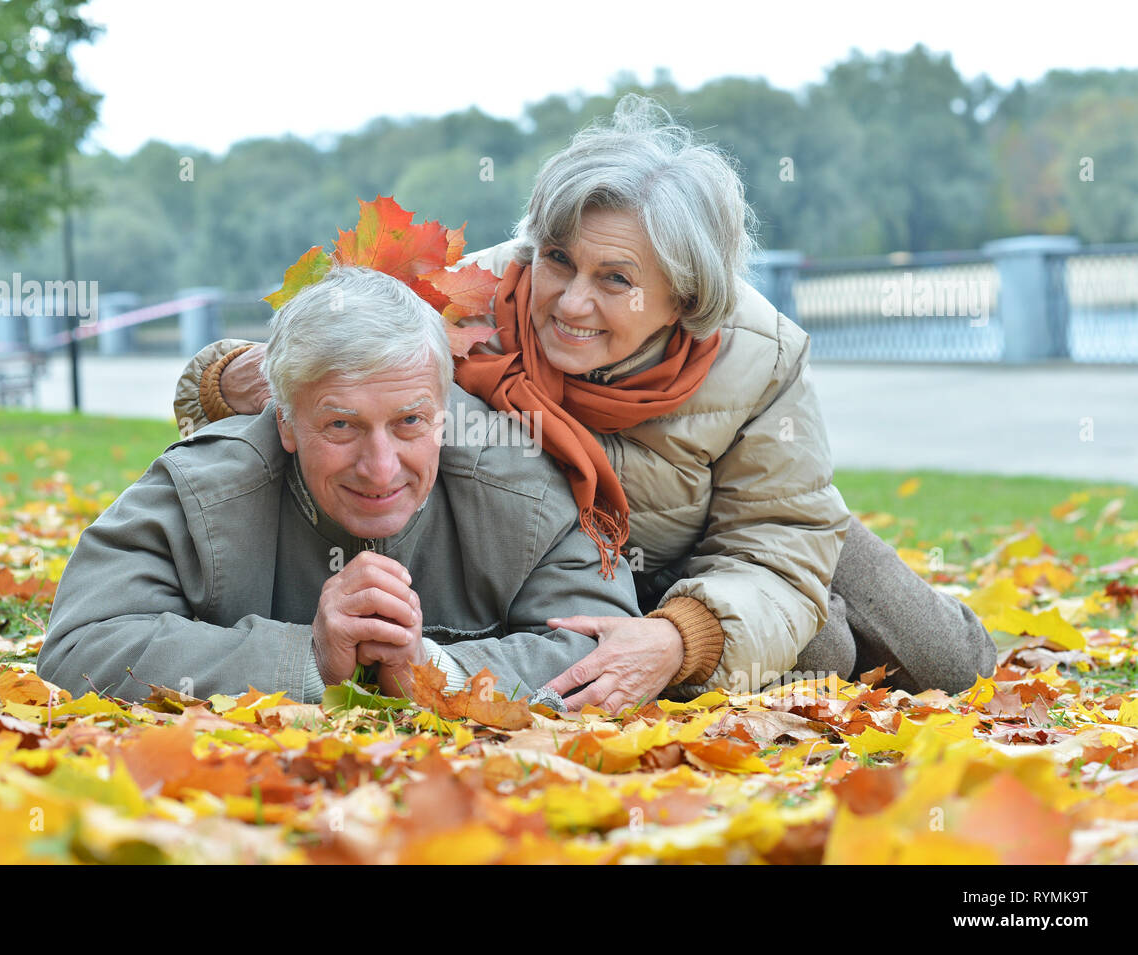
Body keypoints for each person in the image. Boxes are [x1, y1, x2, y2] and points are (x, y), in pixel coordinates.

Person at [172, 95, 996, 713]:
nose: (567, 301)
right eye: (559, 259)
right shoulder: (463, 298)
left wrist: (685, 635)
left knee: (947, 660)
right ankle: (807, 633)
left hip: (758, 525)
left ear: (682, 296)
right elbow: (317, 362)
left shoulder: (760, 352)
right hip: (599, 566)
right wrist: (236, 378)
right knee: (822, 645)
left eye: (615, 280)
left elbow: (781, 539)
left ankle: (998, 647)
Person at [37, 267, 641, 704]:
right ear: (286, 423)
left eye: (409, 422)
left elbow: (606, 648)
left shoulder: (523, 492)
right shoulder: (203, 491)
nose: (380, 469)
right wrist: (306, 659)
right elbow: (82, 643)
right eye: (341, 425)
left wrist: (434, 669)